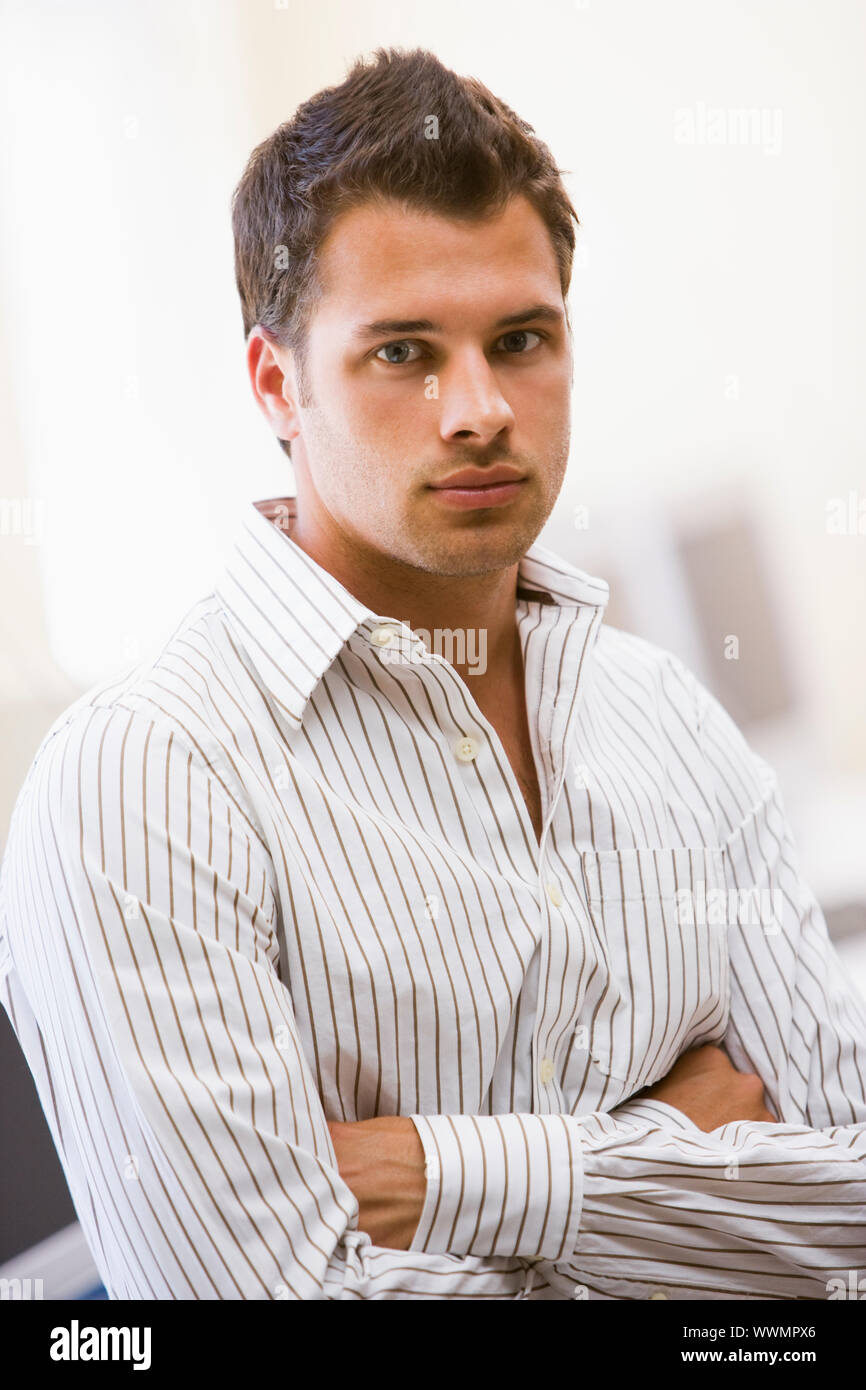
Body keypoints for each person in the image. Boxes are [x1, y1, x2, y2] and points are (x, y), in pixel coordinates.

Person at [1, 46, 864, 1301]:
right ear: (273, 382)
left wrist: (453, 1175)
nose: (478, 409)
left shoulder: (664, 714)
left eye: (520, 339)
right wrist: (689, 1151)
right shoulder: (143, 782)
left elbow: (851, 1212)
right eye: (401, 353)